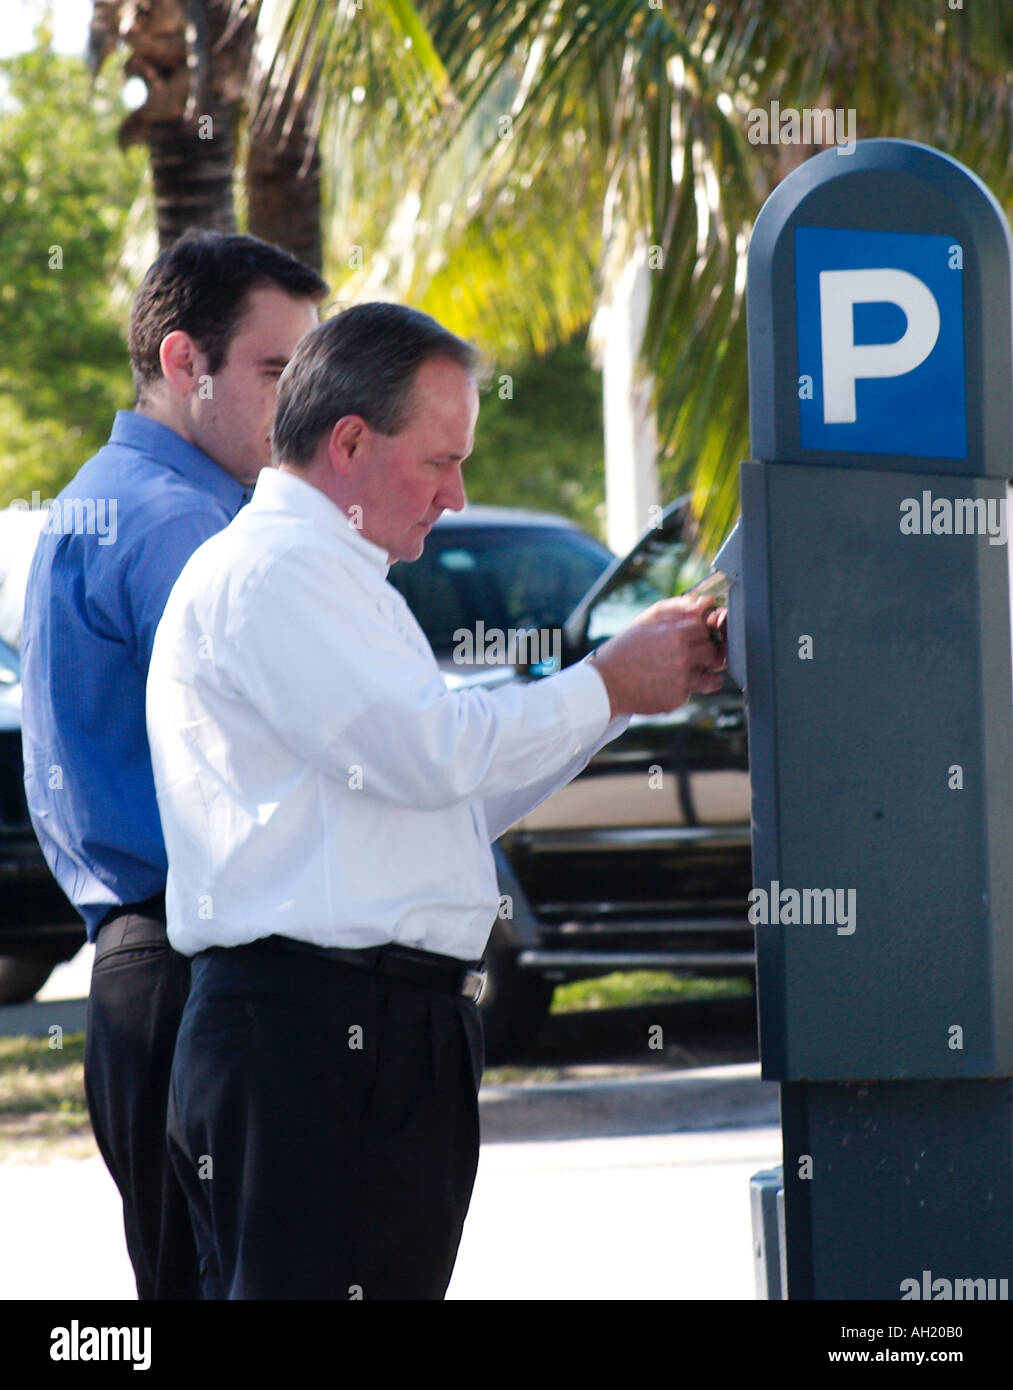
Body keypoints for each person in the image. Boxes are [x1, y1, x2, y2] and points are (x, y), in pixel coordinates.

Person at [145, 302, 727, 1300]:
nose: (456, 495)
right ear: (350, 441)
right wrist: (605, 681)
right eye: (439, 462)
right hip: (314, 1036)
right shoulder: (281, 568)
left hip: (349, 1033)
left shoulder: (331, 572)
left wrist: (623, 691)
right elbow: (433, 754)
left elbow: (453, 797)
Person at [20, 229, 328, 1300]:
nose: (296, 406)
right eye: (276, 371)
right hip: (200, 965)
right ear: (184, 362)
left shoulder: (111, 496)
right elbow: (300, 747)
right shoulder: (177, 524)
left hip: (146, 968)